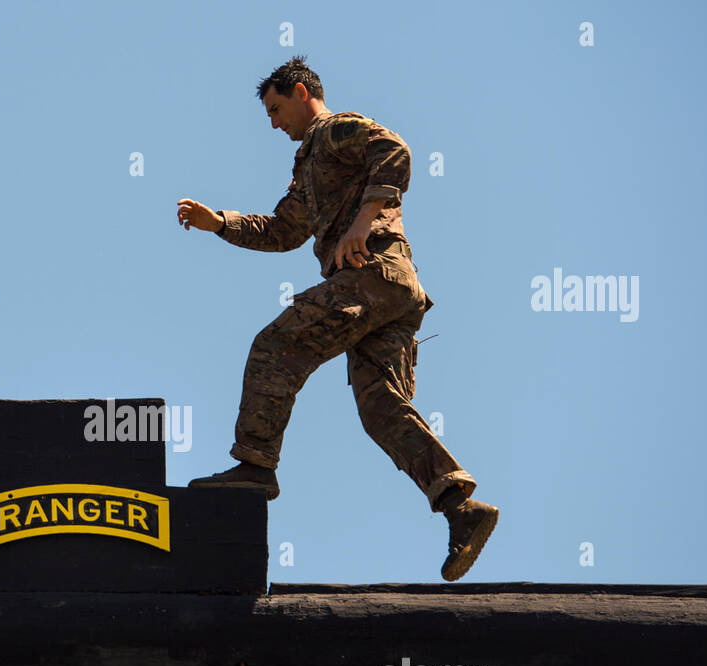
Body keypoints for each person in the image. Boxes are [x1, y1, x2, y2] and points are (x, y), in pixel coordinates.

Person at [176, 55, 498, 581]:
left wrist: (363, 222)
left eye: (277, 109)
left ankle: (255, 466)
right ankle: (461, 505)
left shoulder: (334, 131)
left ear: (302, 92)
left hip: (373, 274)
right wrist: (221, 223)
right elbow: (283, 230)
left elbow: (395, 150)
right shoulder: (308, 166)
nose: (275, 124)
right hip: (390, 293)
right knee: (381, 408)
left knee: (276, 347)